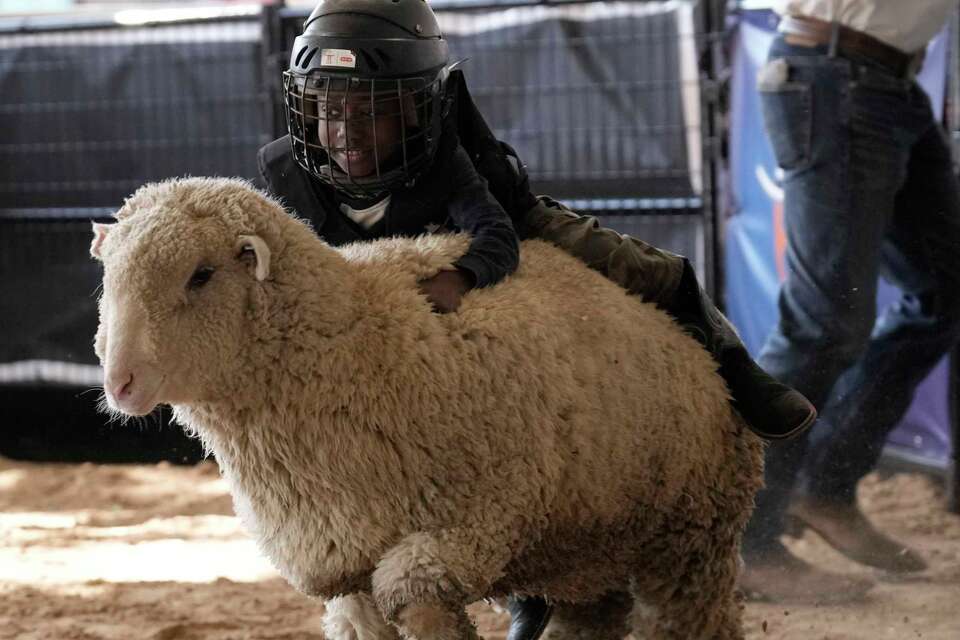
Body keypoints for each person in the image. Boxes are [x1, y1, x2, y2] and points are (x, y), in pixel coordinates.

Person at [258, 0, 816, 634]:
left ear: (416, 107)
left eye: (369, 110)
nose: (345, 131)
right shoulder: (286, 176)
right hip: (390, 336)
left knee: (648, 269)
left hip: (503, 232)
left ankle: (743, 375)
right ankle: (519, 591)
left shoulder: (449, 158)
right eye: (327, 108)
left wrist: (461, 275)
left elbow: (497, 233)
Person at [741, 0, 960, 604]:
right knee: (823, 325)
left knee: (944, 290)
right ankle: (744, 540)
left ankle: (825, 485)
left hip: (888, 83)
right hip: (835, 73)